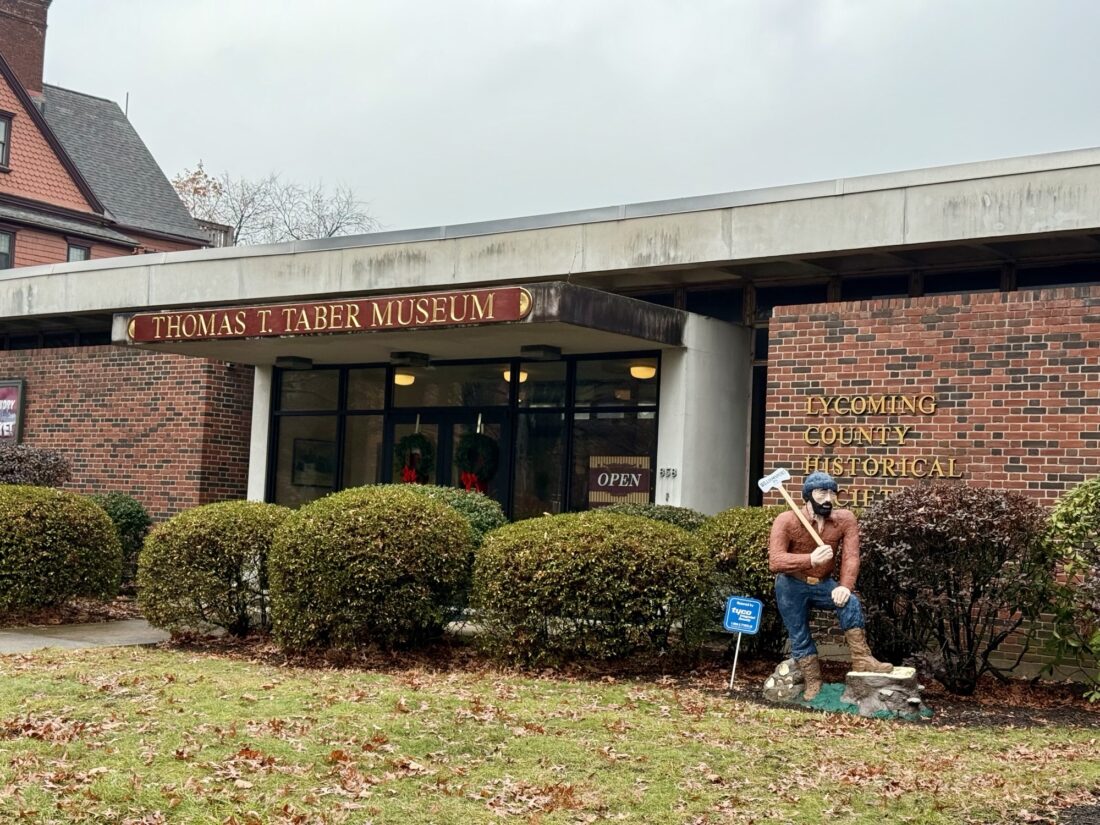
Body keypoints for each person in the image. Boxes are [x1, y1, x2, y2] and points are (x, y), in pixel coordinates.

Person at [768, 470, 893, 700]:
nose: (828, 498)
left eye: (831, 493)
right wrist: (810, 560)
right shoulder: (786, 520)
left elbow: (851, 557)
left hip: (824, 584)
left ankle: (862, 660)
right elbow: (775, 561)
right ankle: (813, 680)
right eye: (821, 492)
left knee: (850, 602)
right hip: (791, 585)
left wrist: (845, 585)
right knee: (798, 631)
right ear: (808, 496)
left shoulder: (844, 520)